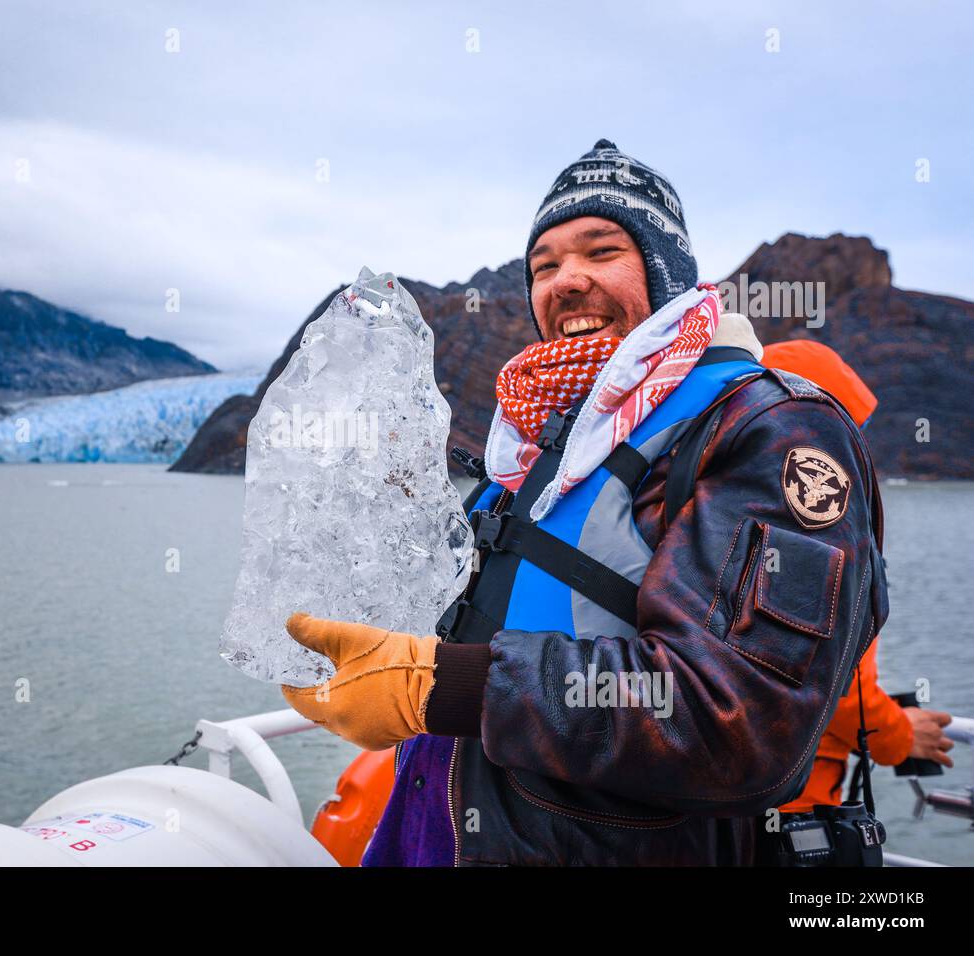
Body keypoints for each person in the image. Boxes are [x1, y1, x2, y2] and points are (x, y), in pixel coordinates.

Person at [279, 140, 889, 866]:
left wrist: (437, 687)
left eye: (600, 252)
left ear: (665, 277)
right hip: (448, 827)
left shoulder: (774, 429)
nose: (566, 281)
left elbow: (742, 718)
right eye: (544, 266)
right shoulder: (546, 440)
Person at [760, 340, 955, 813]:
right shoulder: (812, 524)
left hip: (722, 799)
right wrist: (900, 736)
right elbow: (836, 680)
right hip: (790, 804)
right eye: (849, 428)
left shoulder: (719, 509)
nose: (855, 447)